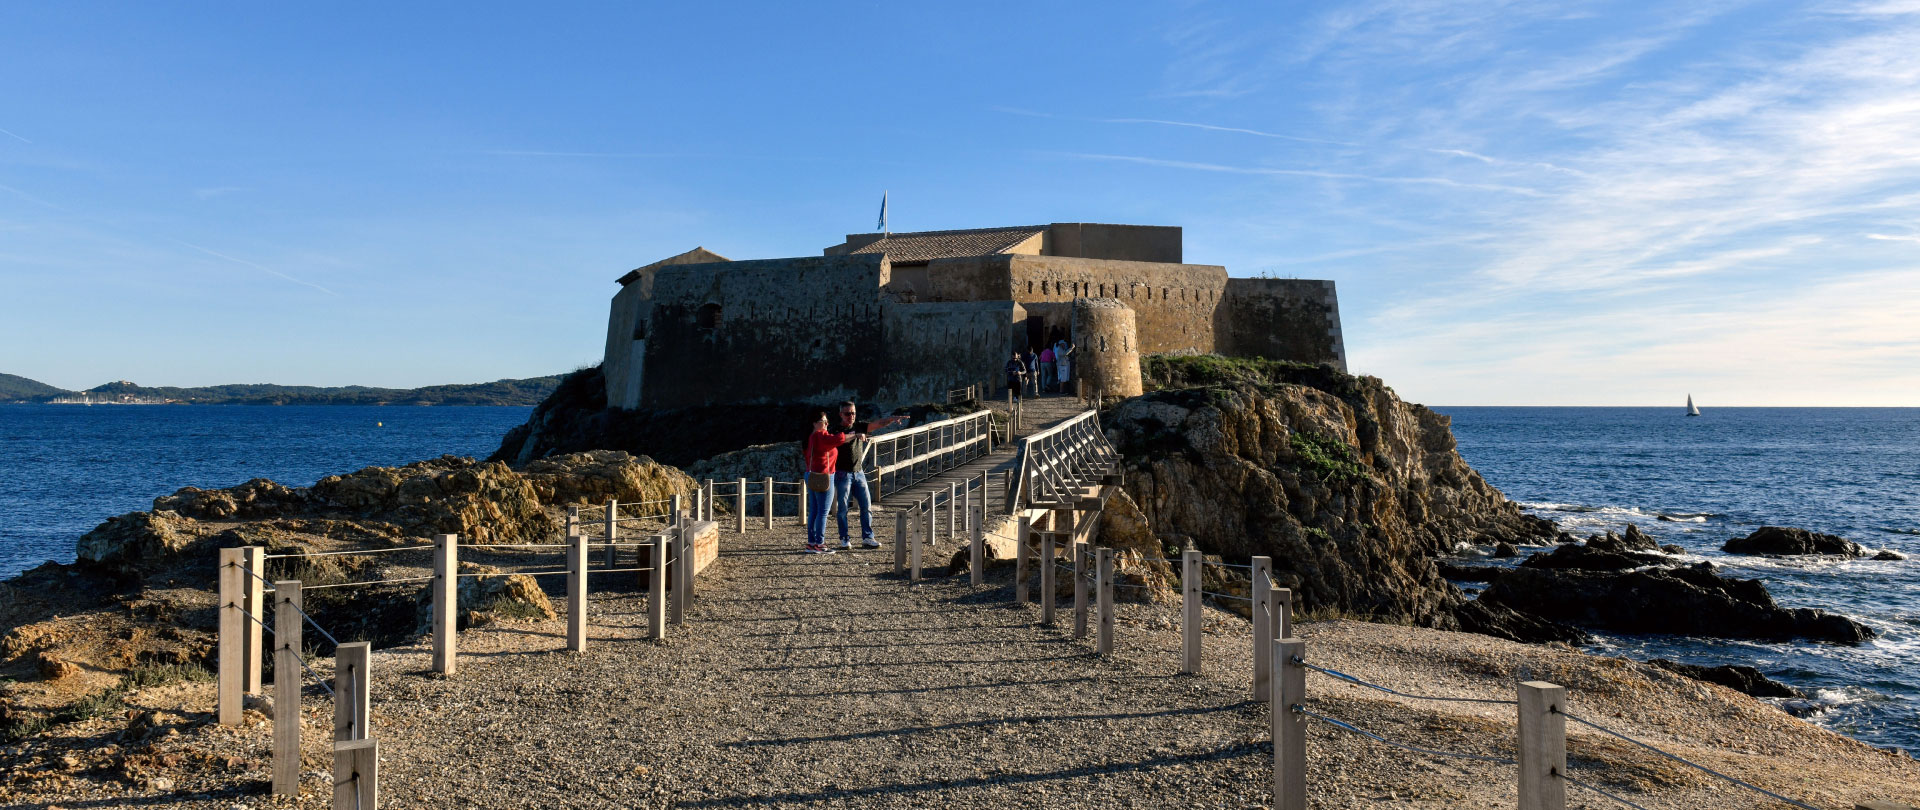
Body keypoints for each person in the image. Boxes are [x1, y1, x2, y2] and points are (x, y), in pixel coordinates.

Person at [830, 401, 909, 550]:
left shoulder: (859, 426)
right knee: (842, 509)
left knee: (866, 506)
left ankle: (868, 537)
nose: (851, 416)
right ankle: (844, 539)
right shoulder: (836, 430)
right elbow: (840, 439)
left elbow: (877, 424)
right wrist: (856, 435)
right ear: (840, 414)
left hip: (859, 472)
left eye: (853, 413)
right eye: (847, 413)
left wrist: (891, 419)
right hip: (842, 473)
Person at [801, 412, 850, 554]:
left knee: (815, 511)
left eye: (826, 421)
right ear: (814, 423)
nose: (826, 424)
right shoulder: (819, 436)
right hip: (824, 477)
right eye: (823, 421)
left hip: (811, 475)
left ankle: (812, 543)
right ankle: (820, 543)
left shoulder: (810, 437)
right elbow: (839, 439)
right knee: (823, 512)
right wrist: (856, 435)